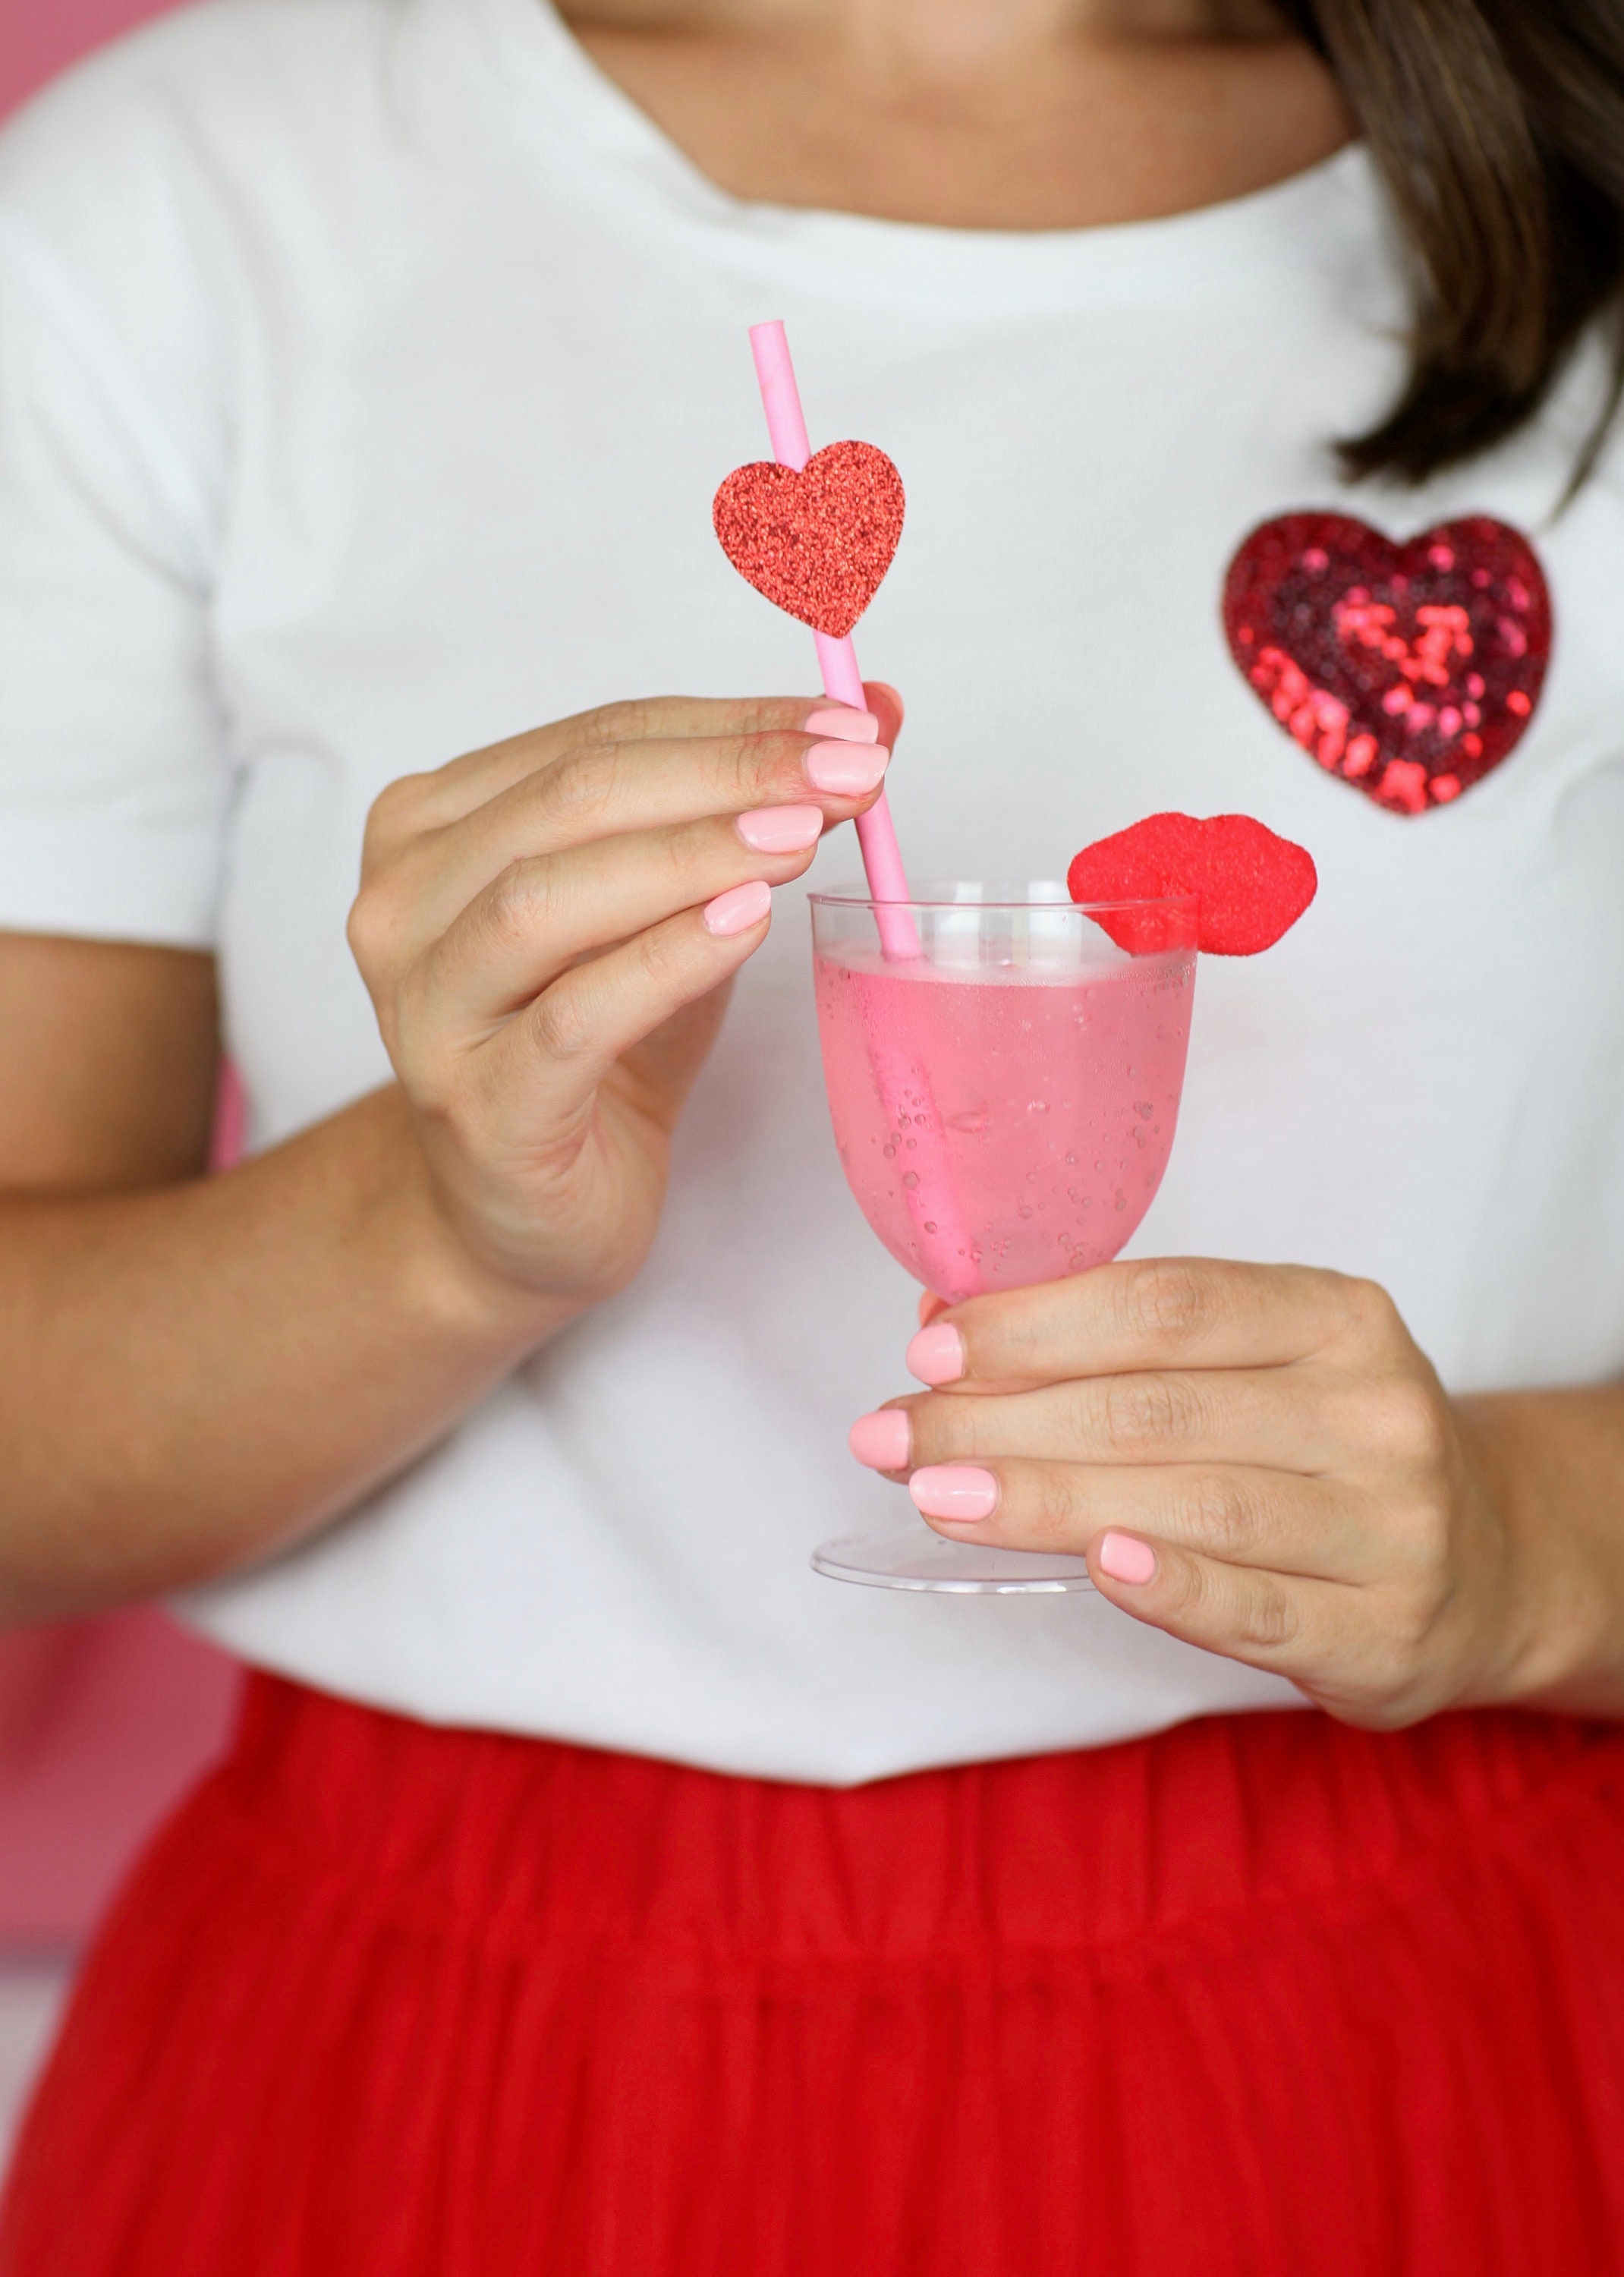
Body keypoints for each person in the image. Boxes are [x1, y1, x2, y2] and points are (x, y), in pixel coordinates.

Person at [2, 0, 1622, 2267]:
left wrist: (1528, 1542)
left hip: (1407, 2047)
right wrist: (448, 1226)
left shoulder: (1583, 152)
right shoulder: (186, 199)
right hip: (446, 2087)